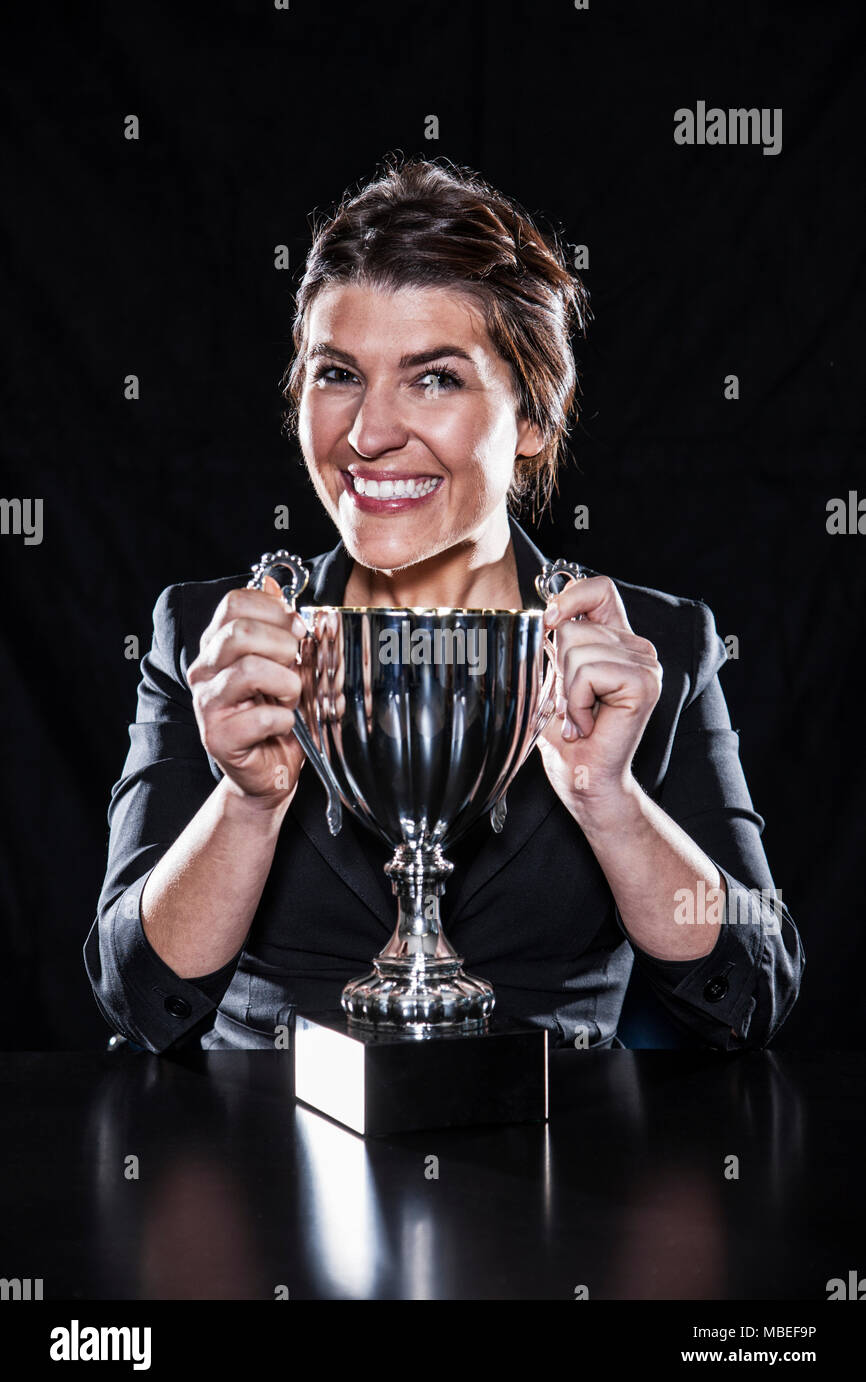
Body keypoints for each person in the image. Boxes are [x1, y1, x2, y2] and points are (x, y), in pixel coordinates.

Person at [84, 155, 804, 1053]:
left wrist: (610, 802)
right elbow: (136, 999)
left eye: (435, 379)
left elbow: (753, 991)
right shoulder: (214, 640)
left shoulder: (651, 648)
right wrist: (246, 804)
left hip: (554, 1168)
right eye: (337, 373)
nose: (369, 434)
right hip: (263, 1158)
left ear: (535, 415)